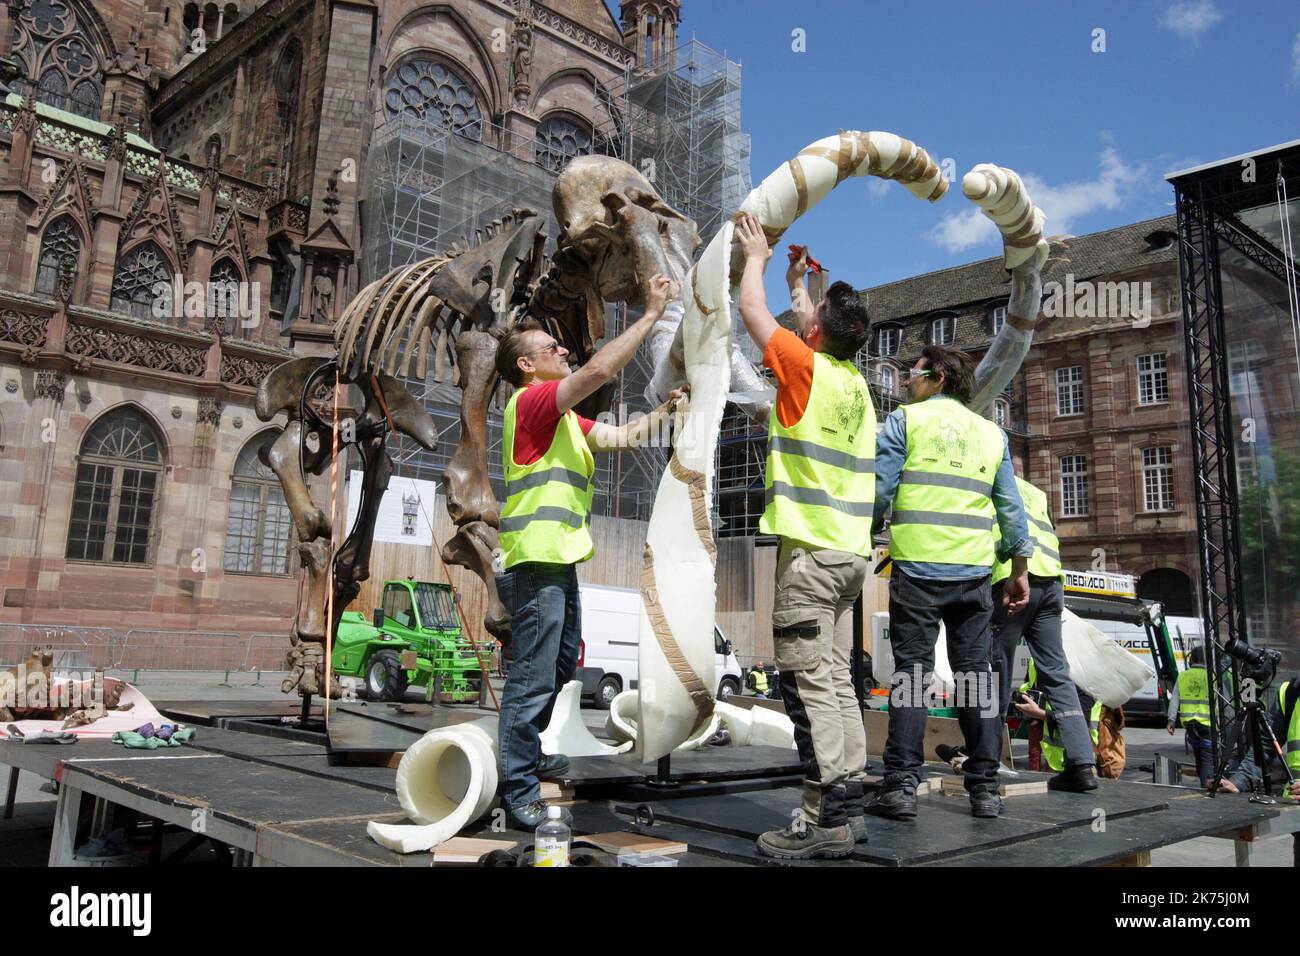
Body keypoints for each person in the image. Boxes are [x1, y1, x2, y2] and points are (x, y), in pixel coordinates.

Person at [493, 273, 687, 830]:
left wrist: (666, 412)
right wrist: (650, 314)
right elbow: (599, 370)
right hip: (537, 558)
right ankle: (518, 784)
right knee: (532, 674)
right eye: (550, 348)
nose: (562, 349)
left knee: (556, 667)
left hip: (560, 560)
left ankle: (525, 755)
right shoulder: (532, 404)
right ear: (527, 367)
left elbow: (622, 437)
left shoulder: (565, 422)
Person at [735, 215, 875, 860]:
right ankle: (845, 806)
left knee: (807, 686)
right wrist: (802, 282)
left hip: (811, 558)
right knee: (837, 683)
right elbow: (809, 334)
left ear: (814, 332)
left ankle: (825, 823)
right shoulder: (855, 385)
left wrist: (757, 256)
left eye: (810, 311)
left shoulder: (802, 365)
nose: (804, 315)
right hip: (849, 558)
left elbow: (748, 307)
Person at [867, 345, 1032, 821]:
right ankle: (983, 788)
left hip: (918, 569)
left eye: (912, 374)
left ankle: (900, 787)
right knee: (974, 677)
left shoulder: (905, 422)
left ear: (937, 377)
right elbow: (1010, 508)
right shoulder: (991, 434)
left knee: (912, 676)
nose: (906, 383)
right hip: (975, 575)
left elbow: (882, 488)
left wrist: (866, 532)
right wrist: (1018, 570)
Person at [990, 476, 1099, 792]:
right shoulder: (1035, 491)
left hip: (1010, 579)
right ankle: (1081, 763)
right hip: (1051, 582)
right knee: (1056, 673)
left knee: (995, 669)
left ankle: (987, 757)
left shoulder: (985, 474)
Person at [1013, 656, 1101, 774]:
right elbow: (1031, 686)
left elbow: (1079, 720)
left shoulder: (1081, 669)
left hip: (1080, 763)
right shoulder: (1038, 658)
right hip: (1055, 761)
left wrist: (1039, 713)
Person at [1166, 644, 1213, 788]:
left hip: (1190, 725)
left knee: (1198, 754)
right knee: (1207, 757)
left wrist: (1171, 721)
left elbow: (1174, 699)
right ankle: (1207, 785)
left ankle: (1203, 783)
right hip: (1207, 724)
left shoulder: (1183, 676)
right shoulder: (1211, 676)